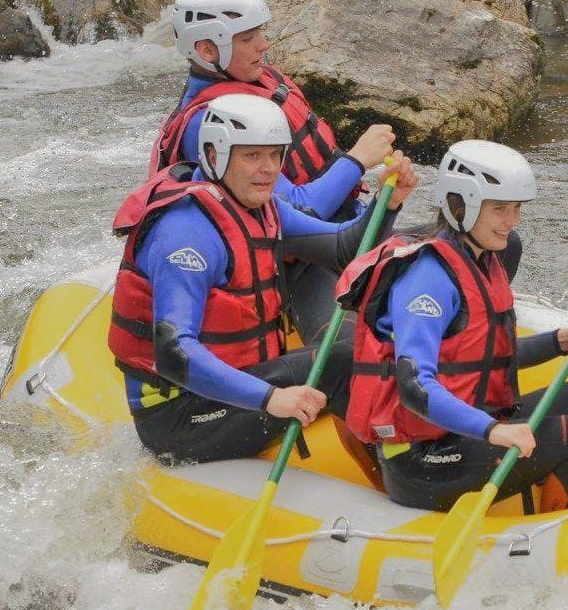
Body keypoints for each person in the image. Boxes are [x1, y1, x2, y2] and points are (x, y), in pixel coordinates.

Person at [111, 94, 417, 464]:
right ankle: (410, 475)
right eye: (252, 156)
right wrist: (271, 398)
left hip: (238, 382)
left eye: (275, 155)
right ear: (214, 154)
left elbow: (343, 249)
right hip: (181, 417)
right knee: (346, 362)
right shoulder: (186, 235)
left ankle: (409, 446)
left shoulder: (255, 203)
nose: (269, 169)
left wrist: (388, 201)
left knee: (367, 344)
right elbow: (175, 353)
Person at [336, 141, 568, 512]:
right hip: (422, 459)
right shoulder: (428, 280)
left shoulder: (479, 258)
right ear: (459, 206)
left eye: (516, 208)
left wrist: (561, 341)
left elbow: (480, 358)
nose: (512, 221)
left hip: (465, 427)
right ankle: (552, 536)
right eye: (500, 209)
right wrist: (492, 430)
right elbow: (414, 386)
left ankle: (543, 496)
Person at [149, 0, 398, 341]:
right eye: (247, 38)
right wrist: (357, 159)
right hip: (296, 263)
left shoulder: (264, 82)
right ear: (206, 49)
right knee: (347, 349)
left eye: (261, 32)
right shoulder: (209, 125)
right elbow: (292, 209)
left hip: (343, 226)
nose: (263, 45)